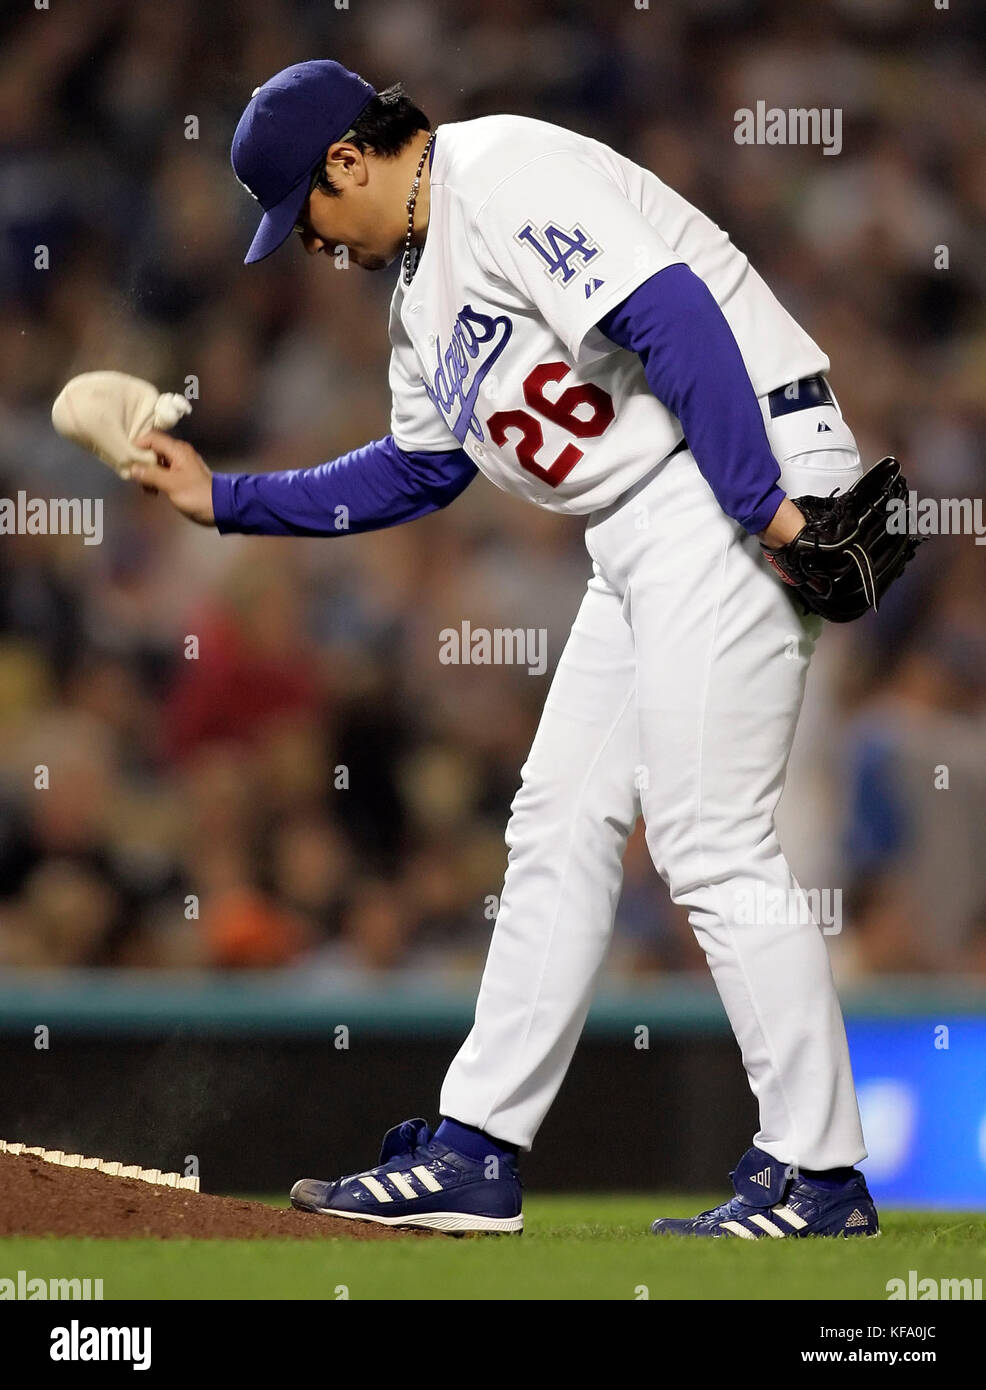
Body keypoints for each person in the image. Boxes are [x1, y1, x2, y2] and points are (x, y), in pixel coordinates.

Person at [133, 59, 879, 1238]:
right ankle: (475, 1150)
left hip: (725, 471)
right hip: (642, 521)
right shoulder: (418, 297)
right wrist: (228, 502)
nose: (315, 244)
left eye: (310, 216)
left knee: (705, 831)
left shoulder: (500, 167)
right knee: (555, 818)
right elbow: (416, 469)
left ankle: (817, 1175)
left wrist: (765, 510)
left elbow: (669, 313)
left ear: (345, 159)